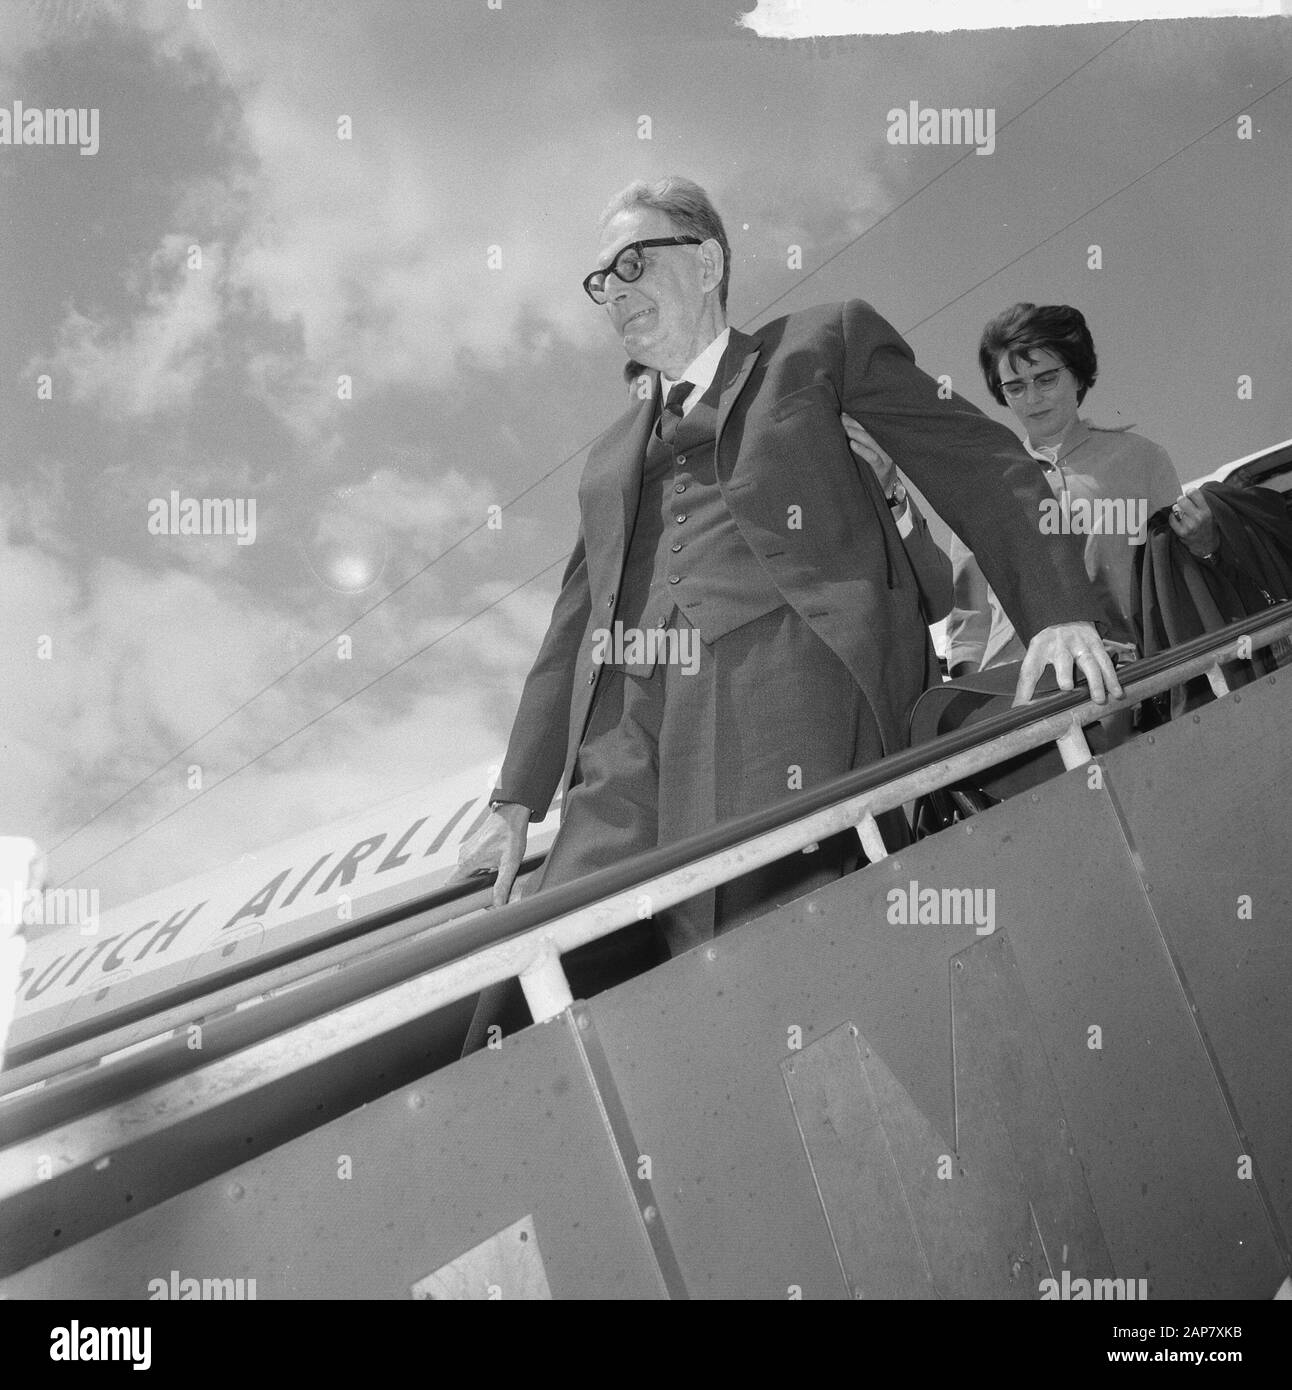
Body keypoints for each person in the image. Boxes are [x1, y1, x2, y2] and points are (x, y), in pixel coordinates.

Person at [453, 176, 1118, 1042]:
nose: (614, 293)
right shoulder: (608, 456)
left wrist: (1059, 608)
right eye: (599, 284)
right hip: (626, 724)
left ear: (706, 262)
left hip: (782, 669)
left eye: (630, 263)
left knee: (754, 947)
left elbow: (975, 456)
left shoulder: (820, 344)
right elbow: (575, 623)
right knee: (555, 955)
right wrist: (515, 798)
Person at [945, 302, 1212, 677]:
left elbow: (1177, 575)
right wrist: (972, 707)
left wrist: (1205, 545)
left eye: (1046, 378)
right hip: (1016, 690)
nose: (1032, 398)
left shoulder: (1141, 459)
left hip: (1129, 676)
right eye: (1016, 387)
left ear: (1078, 374)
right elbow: (970, 615)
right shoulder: (981, 486)